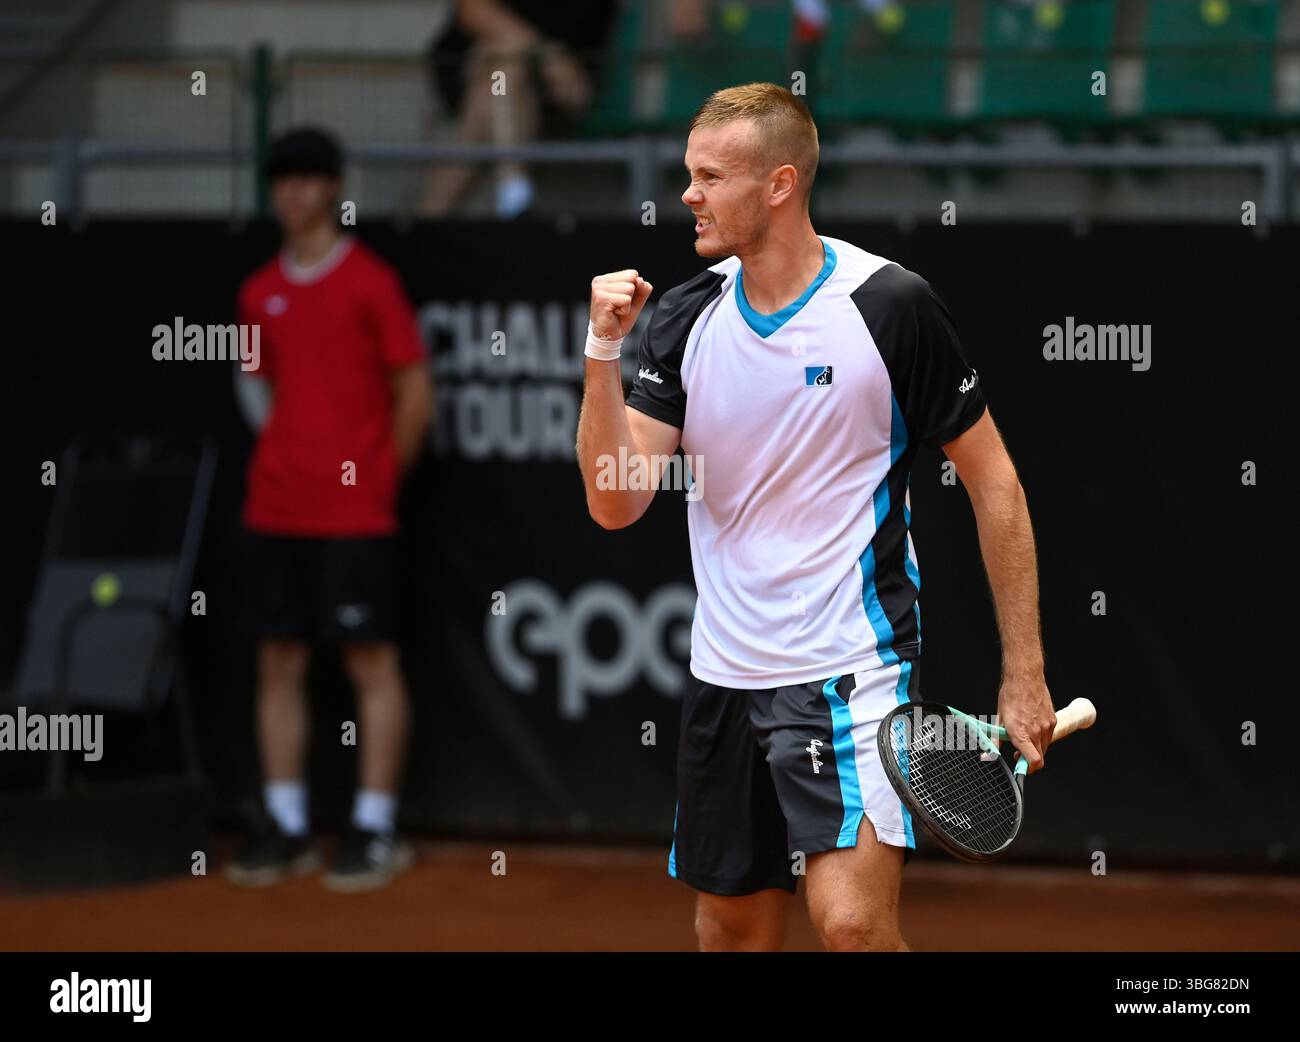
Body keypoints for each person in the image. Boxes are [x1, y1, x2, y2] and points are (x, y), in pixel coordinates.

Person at [576, 84, 1056, 950]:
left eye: (709, 176)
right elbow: (616, 503)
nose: (686, 194)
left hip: (851, 670)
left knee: (852, 929)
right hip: (725, 674)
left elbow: (997, 486)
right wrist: (602, 353)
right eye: (689, 174)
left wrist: (1024, 672)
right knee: (731, 934)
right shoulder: (681, 319)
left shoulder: (892, 307)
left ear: (780, 185)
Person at [227, 127, 433, 892]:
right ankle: (284, 823)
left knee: (368, 660)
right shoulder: (257, 292)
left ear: (332, 189)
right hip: (276, 506)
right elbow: (258, 391)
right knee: (277, 659)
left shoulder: (371, 283)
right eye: (281, 179)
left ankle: (375, 826)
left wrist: (378, 477)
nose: (293, 193)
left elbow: (415, 389)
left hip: (357, 515)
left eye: (308, 179)